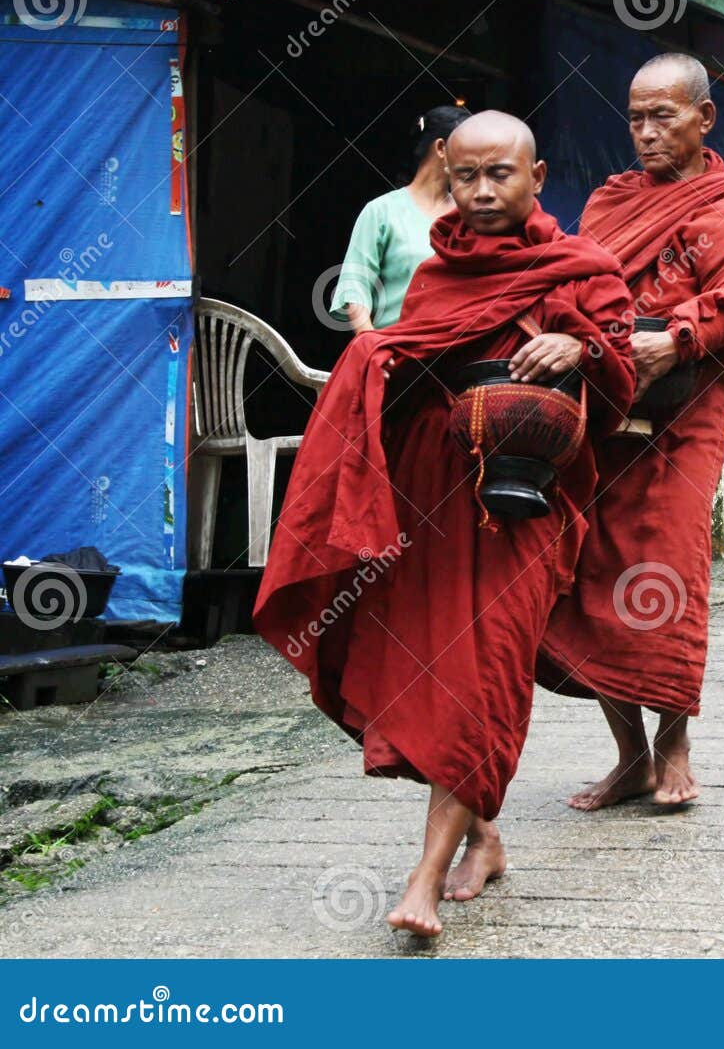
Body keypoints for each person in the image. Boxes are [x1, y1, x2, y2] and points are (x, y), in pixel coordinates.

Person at [253, 112, 636, 936]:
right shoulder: (436, 273)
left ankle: (422, 879)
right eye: (467, 176)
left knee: (486, 667)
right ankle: (485, 838)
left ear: (538, 176)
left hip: (527, 504)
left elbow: (621, 376)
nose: (484, 191)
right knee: (439, 669)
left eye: (501, 173)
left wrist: (583, 352)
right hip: (437, 496)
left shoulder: (582, 266)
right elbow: (414, 363)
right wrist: (379, 359)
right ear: (445, 178)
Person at [537, 54, 724, 810]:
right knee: (593, 561)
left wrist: (674, 338)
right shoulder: (612, 200)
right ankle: (630, 755)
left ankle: (675, 744)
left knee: (669, 563)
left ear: (704, 119)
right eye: (636, 118)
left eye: (662, 117)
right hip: (609, 401)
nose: (645, 133)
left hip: (692, 399)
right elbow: (575, 287)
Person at [330, 104, 471, 332]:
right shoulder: (382, 211)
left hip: (455, 357)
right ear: (441, 148)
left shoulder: (470, 217)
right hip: (394, 353)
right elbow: (355, 288)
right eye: (470, 148)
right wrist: (372, 350)